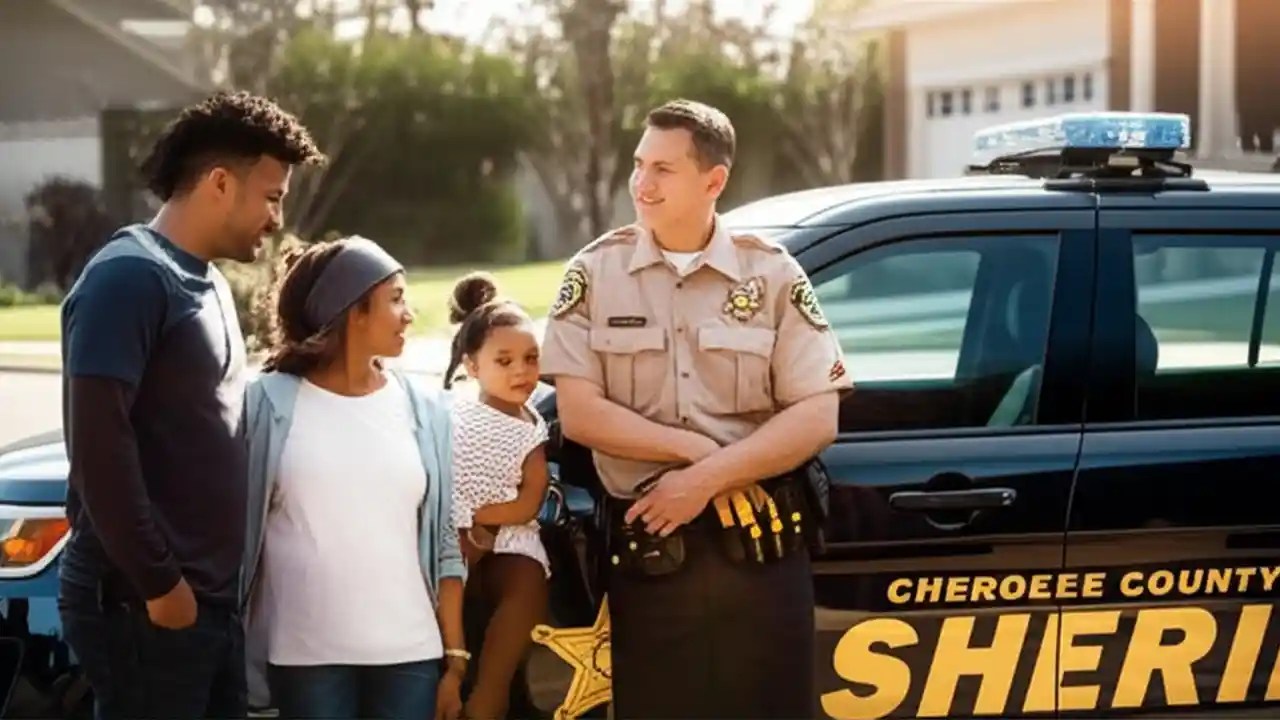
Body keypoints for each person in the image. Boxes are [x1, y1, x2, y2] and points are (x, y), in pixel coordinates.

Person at [539, 98, 853, 719]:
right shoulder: (595, 273)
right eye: (639, 164)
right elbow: (579, 414)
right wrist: (699, 456)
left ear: (714, 180)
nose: (641, 183)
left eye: (663, 169)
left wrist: (708, 479)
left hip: (761, 548)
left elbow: (819, 414)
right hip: (653, 547)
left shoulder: (771, 274)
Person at [57, 91, 323, 719]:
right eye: (272, 196)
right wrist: (159, 585)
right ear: (220, 183)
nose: (276, 217)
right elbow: (98, 448)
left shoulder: (206, 283)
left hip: (203, 604)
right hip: (145, 606)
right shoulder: (126, 280)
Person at [240, 236, 469, 720]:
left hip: (411, 656)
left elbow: (447, 543)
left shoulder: (426, 408)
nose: (409, 313)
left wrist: (455, 659)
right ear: (352, 312)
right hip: (305, 658)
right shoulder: (267, 404)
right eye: (396, 298)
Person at [442, 272, 552, 720]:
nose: (521, 371)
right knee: (452, 592)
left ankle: (492, 692)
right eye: (504, 362)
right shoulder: (458, 417)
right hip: (457, 539)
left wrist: (485, 518)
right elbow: (446, 481)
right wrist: (466, 524)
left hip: (512, 534)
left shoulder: (531, 424)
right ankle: (453, 678)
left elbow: (530, 500)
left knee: (526, 584)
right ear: (473, 367)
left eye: (530, 358)